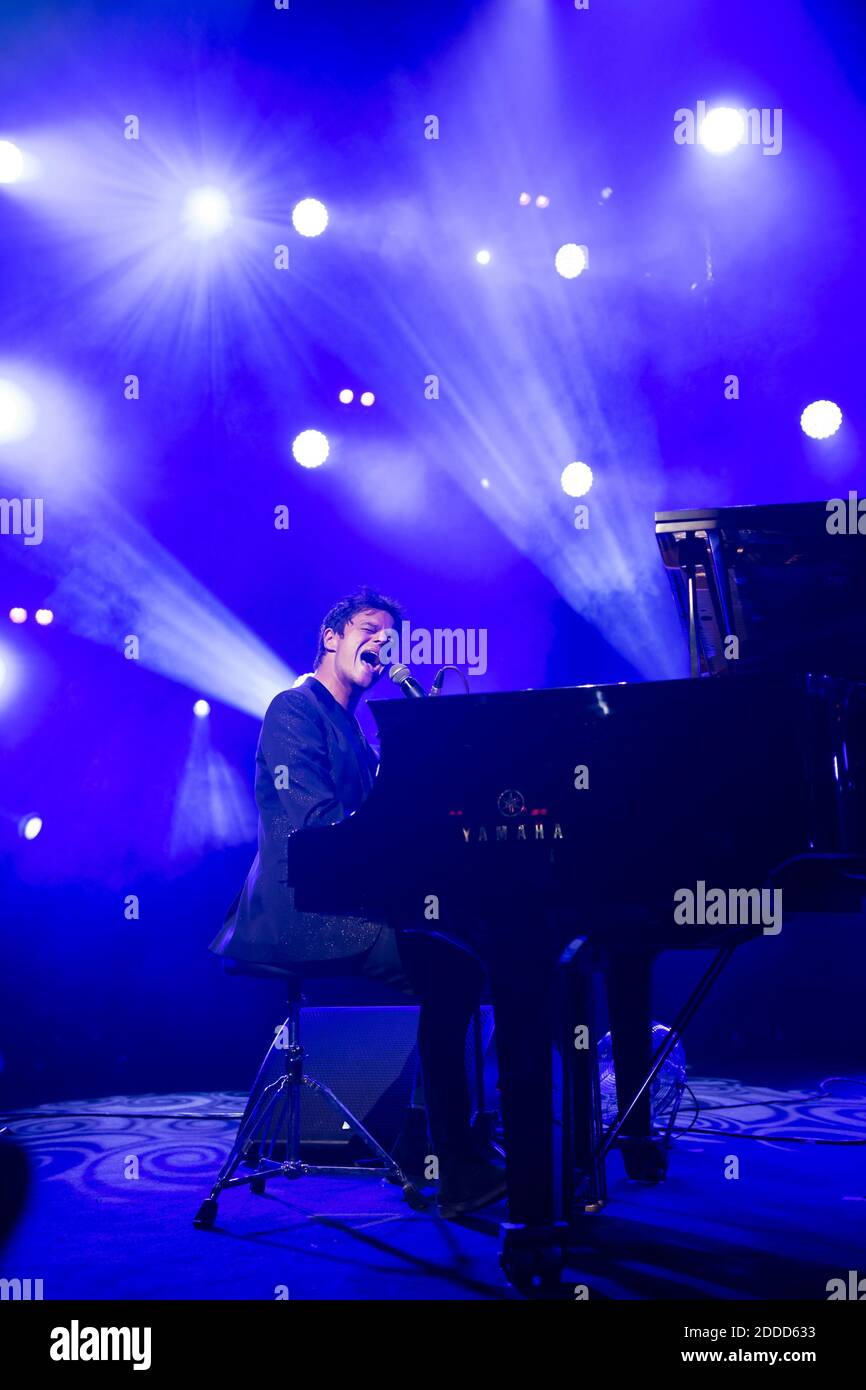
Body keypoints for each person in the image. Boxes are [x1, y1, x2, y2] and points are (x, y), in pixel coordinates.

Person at [210, 586, 505, 1217]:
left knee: (461, 961)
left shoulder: (353, 727)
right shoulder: (294, 710)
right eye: (370, 629)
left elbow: (377, 825)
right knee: (454, 972)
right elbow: (317, 826)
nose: (382, 644)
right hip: (299, 912)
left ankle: (430, 1151)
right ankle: (448, 1160)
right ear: (332, 637)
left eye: (390, 638)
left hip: (345, 902)